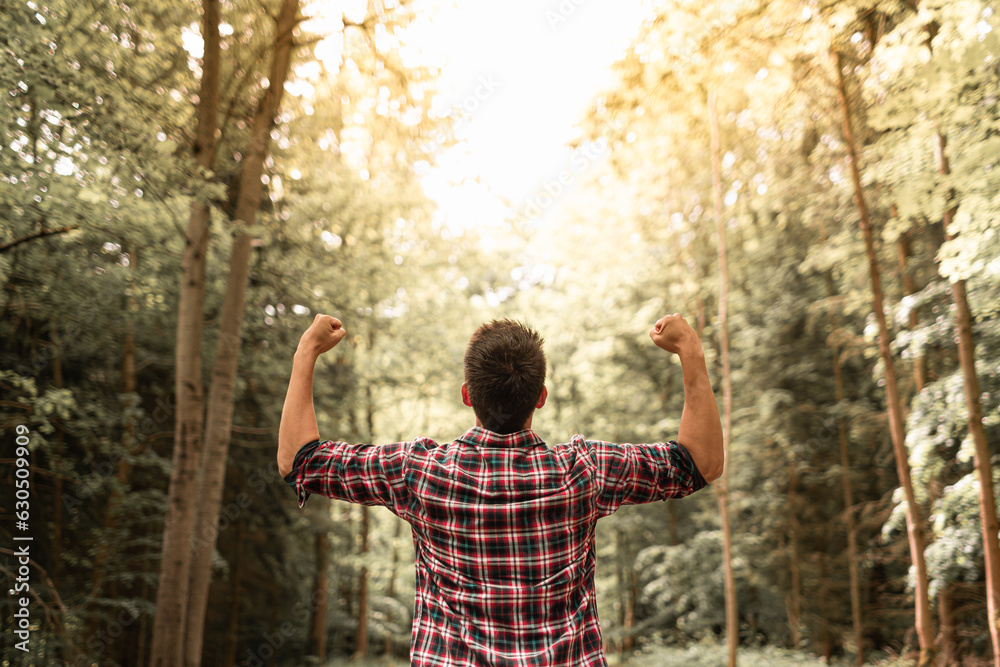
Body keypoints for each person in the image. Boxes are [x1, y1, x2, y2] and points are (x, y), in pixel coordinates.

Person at [278, 313, 724, 667]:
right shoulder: (584, 473)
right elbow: (701, 462)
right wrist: (690, 350)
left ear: (468, 395)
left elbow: (298, 460)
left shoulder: (417, 473)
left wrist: (306, 351)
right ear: (541, 397)